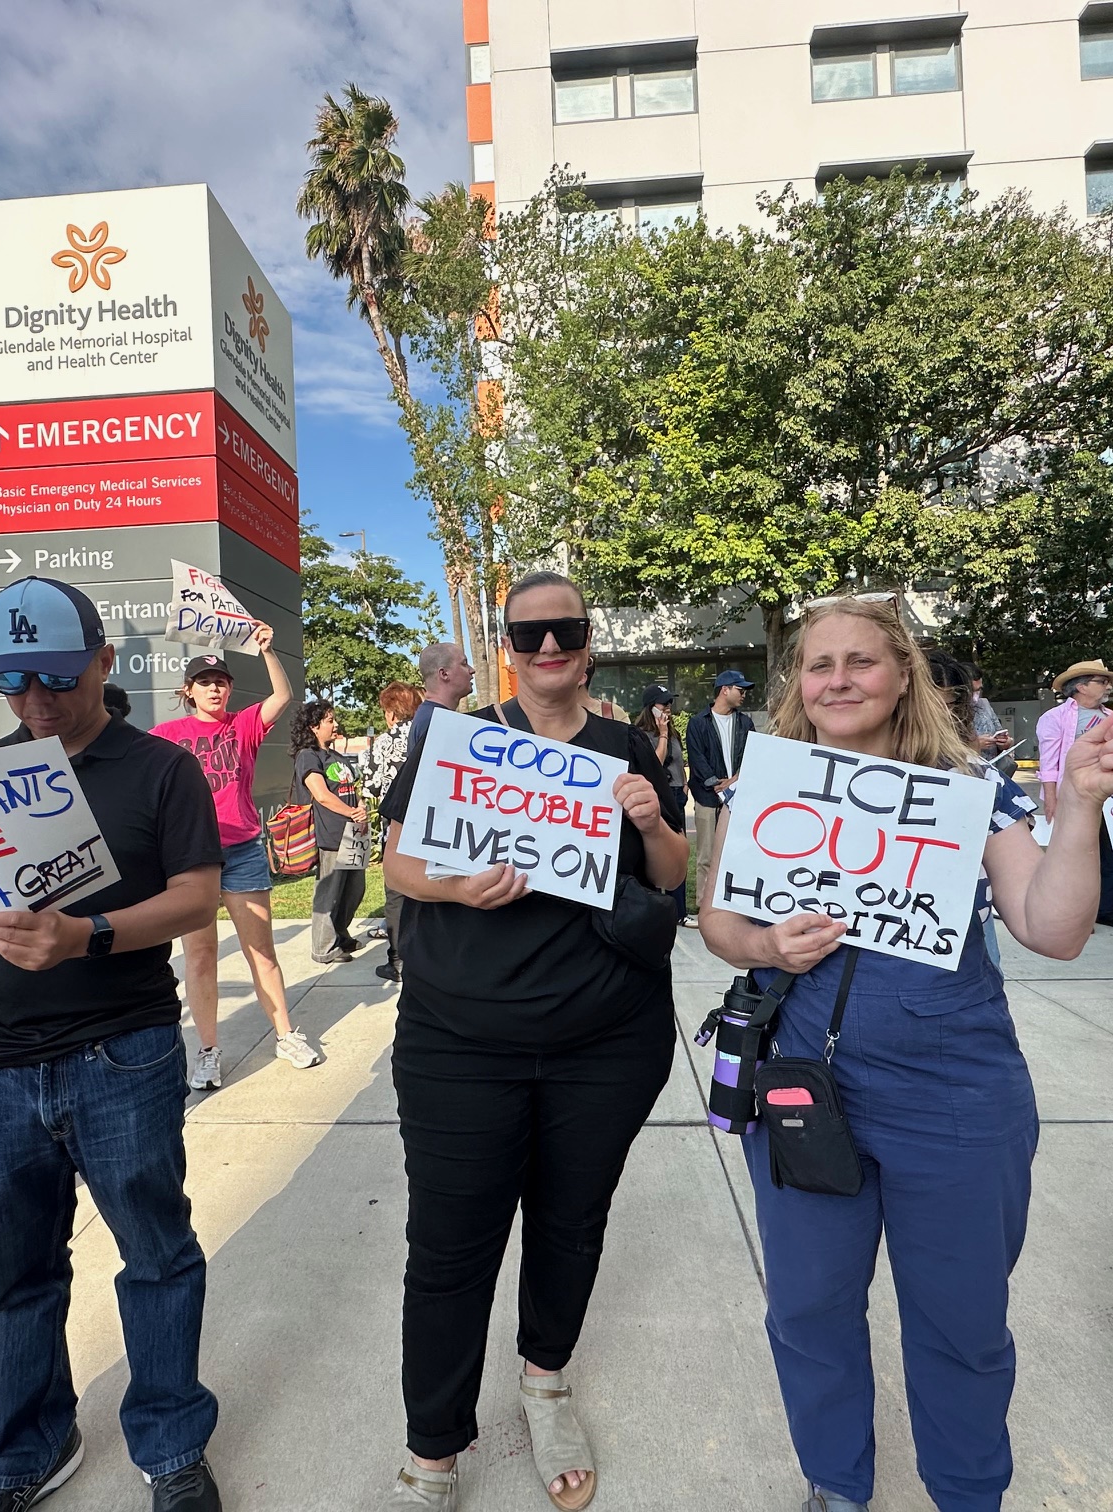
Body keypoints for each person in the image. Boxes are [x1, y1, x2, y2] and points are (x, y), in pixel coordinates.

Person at [702, 595, 1113, 1512]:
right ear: (800, 685)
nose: (837, 681)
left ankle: (967, 1492)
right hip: (803, 1085)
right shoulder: (765, 789)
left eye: (860, 661)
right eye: (819, 665)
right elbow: (717, 920)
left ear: (902, 674)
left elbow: (1052, 929)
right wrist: (764, 947)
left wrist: (1085, 811)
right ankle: (836, 1481)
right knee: (808, 1308)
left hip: (956, 1096)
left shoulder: (973, 790)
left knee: (962, 1322)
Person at [0, 578, 226, 1512]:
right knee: (13, 1278)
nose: (37, 703)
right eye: (15, 684)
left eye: (57, 678)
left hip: (120, 1054)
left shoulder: (161, 770)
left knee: (157, 1255)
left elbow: (196, 895)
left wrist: (86, 934)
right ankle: (24, 1451)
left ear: (104, 663)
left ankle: (171, 1447)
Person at [377, 571, 687, 1512]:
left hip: (606, 1042)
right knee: (449, 1245)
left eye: (568, 631)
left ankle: (545, 1385)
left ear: (589, 642)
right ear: (505, 645)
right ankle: (433, 1448)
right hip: (460, 1040)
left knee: (570, 1224)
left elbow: (672, 876)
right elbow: (400, 861)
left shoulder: (627, 745)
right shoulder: (454, 738)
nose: (550, 648)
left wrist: (650, 819)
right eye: (531, 633)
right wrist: (458, 886)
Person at [148, 634, 320, 1087]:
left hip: (242, 849)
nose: (214, 689)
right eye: (204, 681)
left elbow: (282, 695)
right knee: (201, 957)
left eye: (220, 681)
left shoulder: (242, 726)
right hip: (190, 857)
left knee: (260, 950)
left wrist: (267, 649)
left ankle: (285, 1034)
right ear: (188, 690)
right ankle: (207, 1051)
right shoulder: (166, 737)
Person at [1036, 658, 1113, 931]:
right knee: (1079, 856)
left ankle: (1104, 909)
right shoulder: (1054, 718)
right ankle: (1077, 913)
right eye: (1101, 681)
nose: (1107, 686)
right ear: (1081, 686)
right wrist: (1051, 798)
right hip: (1076, 797)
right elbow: (1049, 762)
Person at [293, 699, 368, 965]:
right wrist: (350, 813)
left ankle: (340, 934)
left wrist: (359, 806)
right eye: (329, 720)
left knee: (354, 889)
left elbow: (348, 788)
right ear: (313, 726)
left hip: (353, 834)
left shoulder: (335, 755)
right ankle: (323, 947)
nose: (335, 724)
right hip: (331, 834)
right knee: (330, 891)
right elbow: (322, 796)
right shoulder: (308, 756)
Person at [365, 680, 423, 983]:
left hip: (398, 829)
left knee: (397, 896)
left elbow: (372, 786)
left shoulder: (383, 744)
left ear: (390, 711)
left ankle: (398, 960)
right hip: (429, 828)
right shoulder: (427, 734)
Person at [687, 670, 755, 913]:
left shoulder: (745, 723)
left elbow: (753, 755)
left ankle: (735, 904)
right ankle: (704, 906)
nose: (744, 694)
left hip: (738, 797)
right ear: (724, 689)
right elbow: (697, 759)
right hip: (707, 797)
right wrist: (716, 783)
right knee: (706, 855)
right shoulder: (698, 722)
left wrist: (735, 780)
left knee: (738, 852)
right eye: (740, 689)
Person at [635, 684, 690, 923]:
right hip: (658, 795)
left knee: (679, 849)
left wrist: (685, 783)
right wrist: (663, 734)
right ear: (651, 708)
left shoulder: (672, 731)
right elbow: (654, 764)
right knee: (657, 851)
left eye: (669, 703)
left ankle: (680, 911)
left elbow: (678, 761)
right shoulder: (642, 735)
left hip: (677, 793)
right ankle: (656, 906)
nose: (668, 708)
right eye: (662, 704)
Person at [410, 642, 475, 743]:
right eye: (464, 664)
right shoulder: (434, 721)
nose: (472, 670)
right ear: (444, 674)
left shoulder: (432, 716)